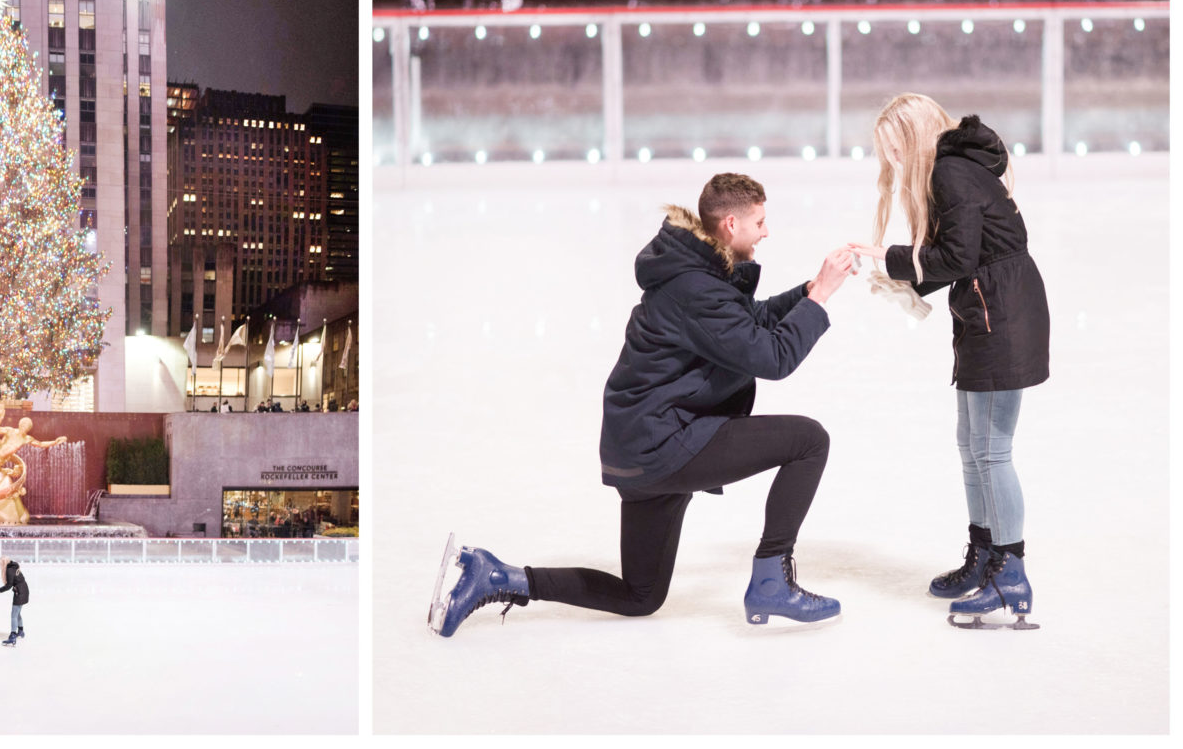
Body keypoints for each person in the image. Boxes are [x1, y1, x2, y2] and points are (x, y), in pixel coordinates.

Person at [430, 173, 857, 637]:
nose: (766, 232)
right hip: (663, 443)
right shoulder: (696, 289)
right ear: (732, 224)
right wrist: (821, 297)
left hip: (641, 448)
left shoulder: (694, 275)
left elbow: (747, 322)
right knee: (808, 441)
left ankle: (498, 577)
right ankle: (773, 581)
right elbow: (773, 357)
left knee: (640, 595)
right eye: (760, 221)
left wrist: (809, 287)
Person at [848, 94, 1050, 631]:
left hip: (1000, 317)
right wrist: (900, 277)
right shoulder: (955, 172)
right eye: (884, 152)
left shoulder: (950, 175)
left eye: (896, 149)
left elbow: (957, 258)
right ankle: (985, 556)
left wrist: (889, 258)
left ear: (915, 140)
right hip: (988, 310)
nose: (892, 161)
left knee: (992, 450)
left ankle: (1011, 572)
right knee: (972, 447)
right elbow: (962, 258)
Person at [0, 556, 30, 646]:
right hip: (24, 590)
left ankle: (12, 636)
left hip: (20, 593)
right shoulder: (14, 566)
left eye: (0, 564)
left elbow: (9, 585)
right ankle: (21, 631)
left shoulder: (9, 570)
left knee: (13, 615)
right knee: (17, 613)